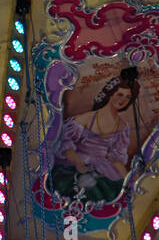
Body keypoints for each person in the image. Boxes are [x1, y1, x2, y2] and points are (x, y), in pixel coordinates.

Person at [51, 75, 139, 203]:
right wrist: (78, 162)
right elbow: (65, 144)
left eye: (128, 97)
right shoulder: (86, 118)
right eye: (120, 94)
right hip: (78, 162)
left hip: (103, 167)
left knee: (110, 193)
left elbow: (116, 157)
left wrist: (127, 179)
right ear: (110, 94)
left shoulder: (123, 127)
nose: (123, 100)